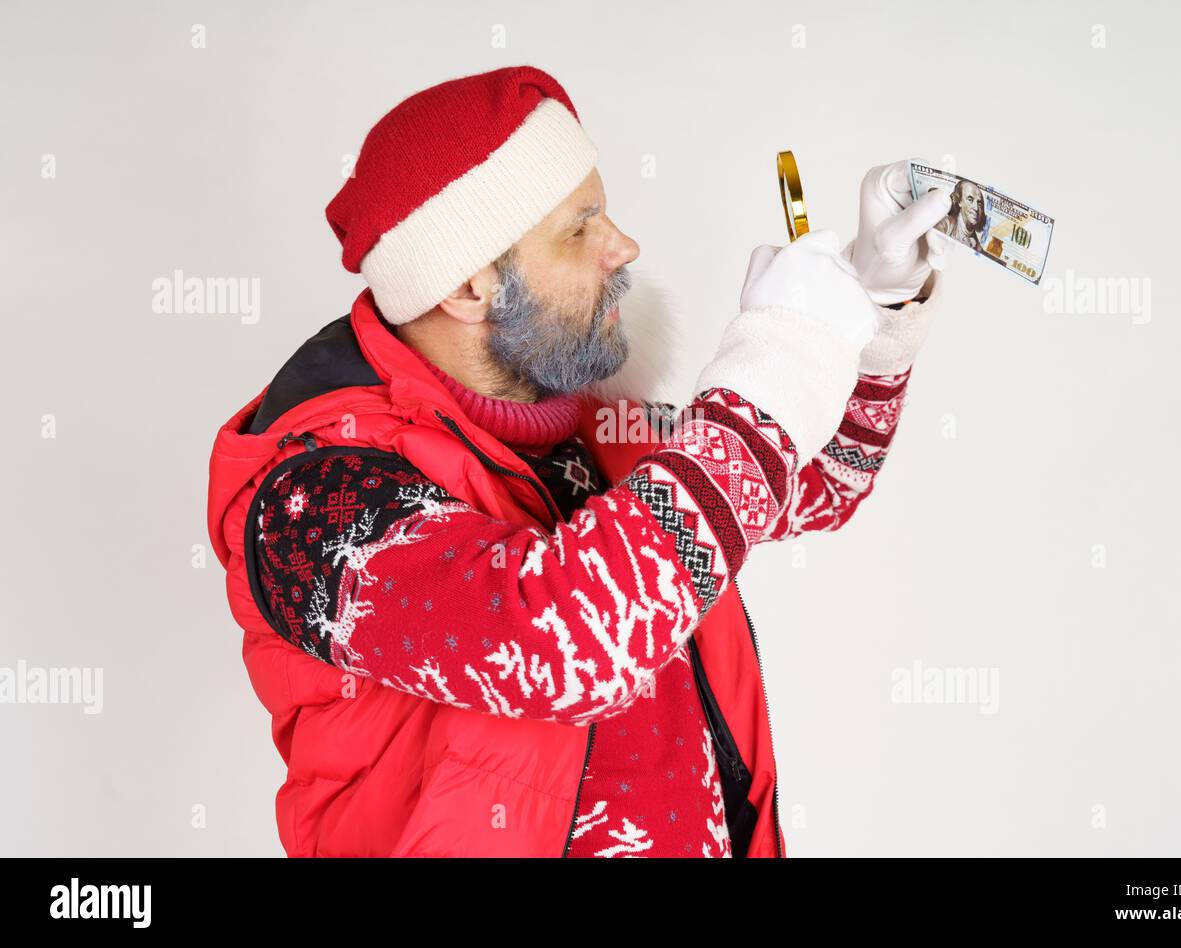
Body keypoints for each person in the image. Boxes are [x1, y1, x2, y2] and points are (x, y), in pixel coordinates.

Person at [206, 65, 953, 857]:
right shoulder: (308, 502)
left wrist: (871, 312)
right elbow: (565, 643)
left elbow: (818, 482)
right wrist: (780, 353)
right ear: (468, 286)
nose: (624, 246)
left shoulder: (591, 425)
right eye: (579, 228)